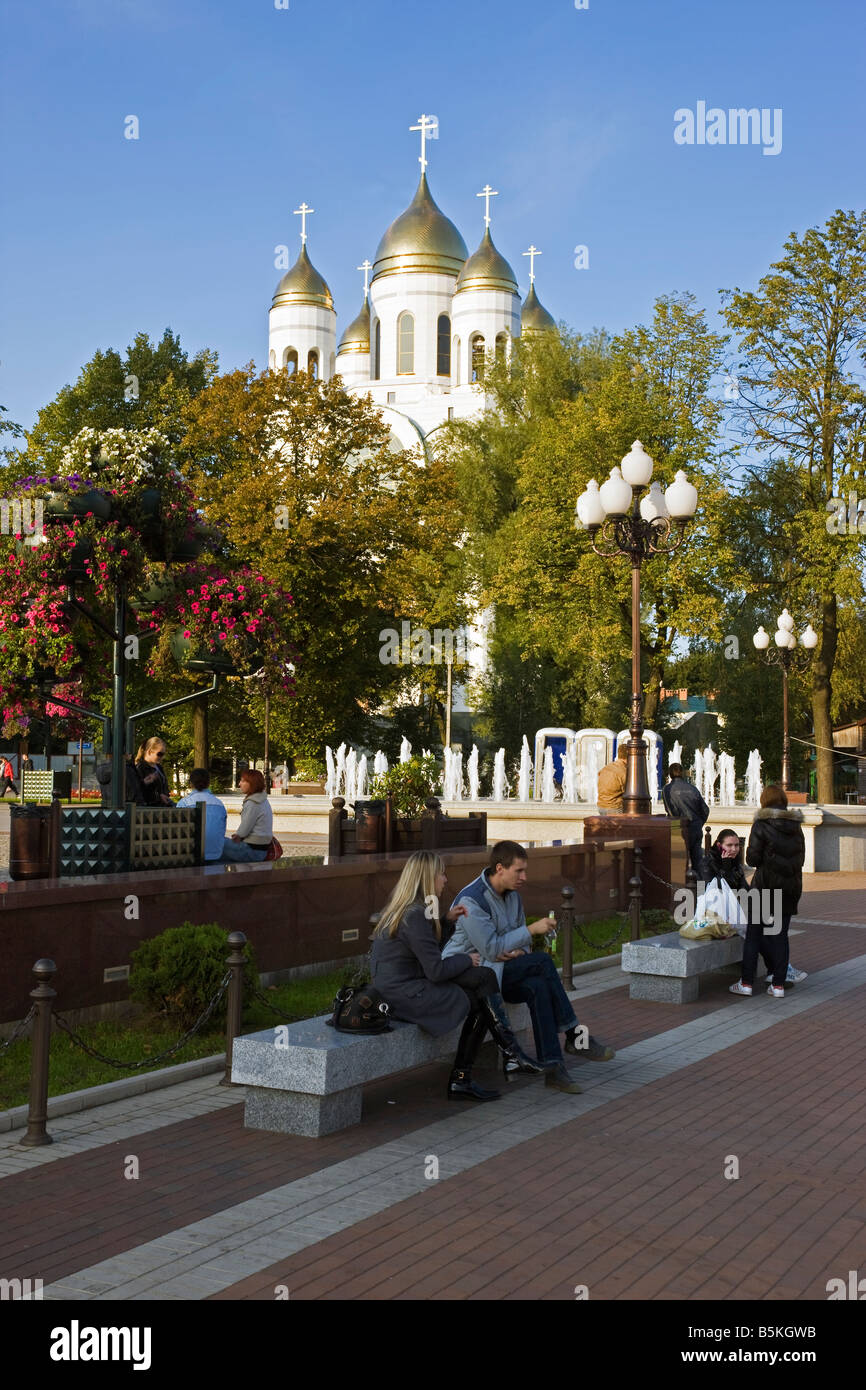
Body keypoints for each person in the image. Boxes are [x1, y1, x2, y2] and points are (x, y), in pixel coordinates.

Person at [443, 841, 615, 1093]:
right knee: (544, 963)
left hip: (501, 970)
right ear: (500, 868)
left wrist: (520, 950)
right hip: (473, 977)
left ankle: (555, 1069)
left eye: (525, 871)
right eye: (519, 871)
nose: (524, 877)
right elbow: (492, 949)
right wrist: (530, 931)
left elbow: (519, 945)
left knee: (538, 986)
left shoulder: (513, 897)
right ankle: (574, 1034)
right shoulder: (472, 900)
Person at [371, 851, 541, 1102]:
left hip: (400, 986)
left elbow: (423, 942)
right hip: (404, 994)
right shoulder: (415, 914)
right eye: (441, 874)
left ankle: (501, 1059)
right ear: (428, 878)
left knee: (483, 982)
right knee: (481, 993)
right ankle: (475, 1071)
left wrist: (446, 920)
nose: (445, 880)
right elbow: (436, 971)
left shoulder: (411, 908)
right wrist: (465, 959)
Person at [701, 828, 806, 985]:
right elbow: (718, 891)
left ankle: (778, 970)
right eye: (729, 845)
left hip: (736, 910)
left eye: (736, 845)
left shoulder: (736, 861)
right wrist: (726, 865)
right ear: (718, 845)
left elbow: (744, 888)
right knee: (755, 930)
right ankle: (780, 970)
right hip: (717, 913)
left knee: (766, 924)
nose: (734, 849)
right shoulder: (708, 863)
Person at [729, 786, 807, 999]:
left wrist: (768, 858)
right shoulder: (796, 826)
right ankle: (778, 985)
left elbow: (752, 859)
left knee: (754, 934)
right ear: (783, 801)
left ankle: (746, 983)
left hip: (765, 886)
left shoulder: (761, 825)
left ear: (764, 801)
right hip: (790, 887)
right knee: (780, 935)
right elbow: (800, 860)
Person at [662, 762, 709, 874]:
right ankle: (701, 889)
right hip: (695, 827)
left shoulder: (667, 789)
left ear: (670, 774)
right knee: (698, 863)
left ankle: (679, 889)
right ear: (682, 773)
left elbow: (669, 810)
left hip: (677, 828)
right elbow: (705, 810)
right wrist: (698, 823)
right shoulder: (692, 788)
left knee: (678, 865)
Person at [221, 768, 273, 862]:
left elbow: (244, 830)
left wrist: (238, 836)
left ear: (252, 783)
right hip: (262, 849)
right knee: (222, 861)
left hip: (251, 850)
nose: (239, 784)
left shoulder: (253, 802)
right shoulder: (263, 800)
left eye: (242, 781)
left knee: (216, 843)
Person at [176, 768, 228, 863]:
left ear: (191, 784)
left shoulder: (184, 803)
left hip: (190, 854)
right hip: (215, 853)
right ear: (208, 783)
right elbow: (222, 829)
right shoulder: (219, 804)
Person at [134, 737, 174, 806]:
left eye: (164, 754)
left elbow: (164, 788)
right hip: (149, 809)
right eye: (160, 754)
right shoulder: (140, 768)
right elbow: (137, 793)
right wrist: (159, 797)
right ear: (149, 752)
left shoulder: (159, 768)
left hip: (162, 808)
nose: (162, 757)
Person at [597, 744, 628, 813]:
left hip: (601, 806)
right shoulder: (623, 771)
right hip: (614, 808)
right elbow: (630, 792)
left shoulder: (606, 768)